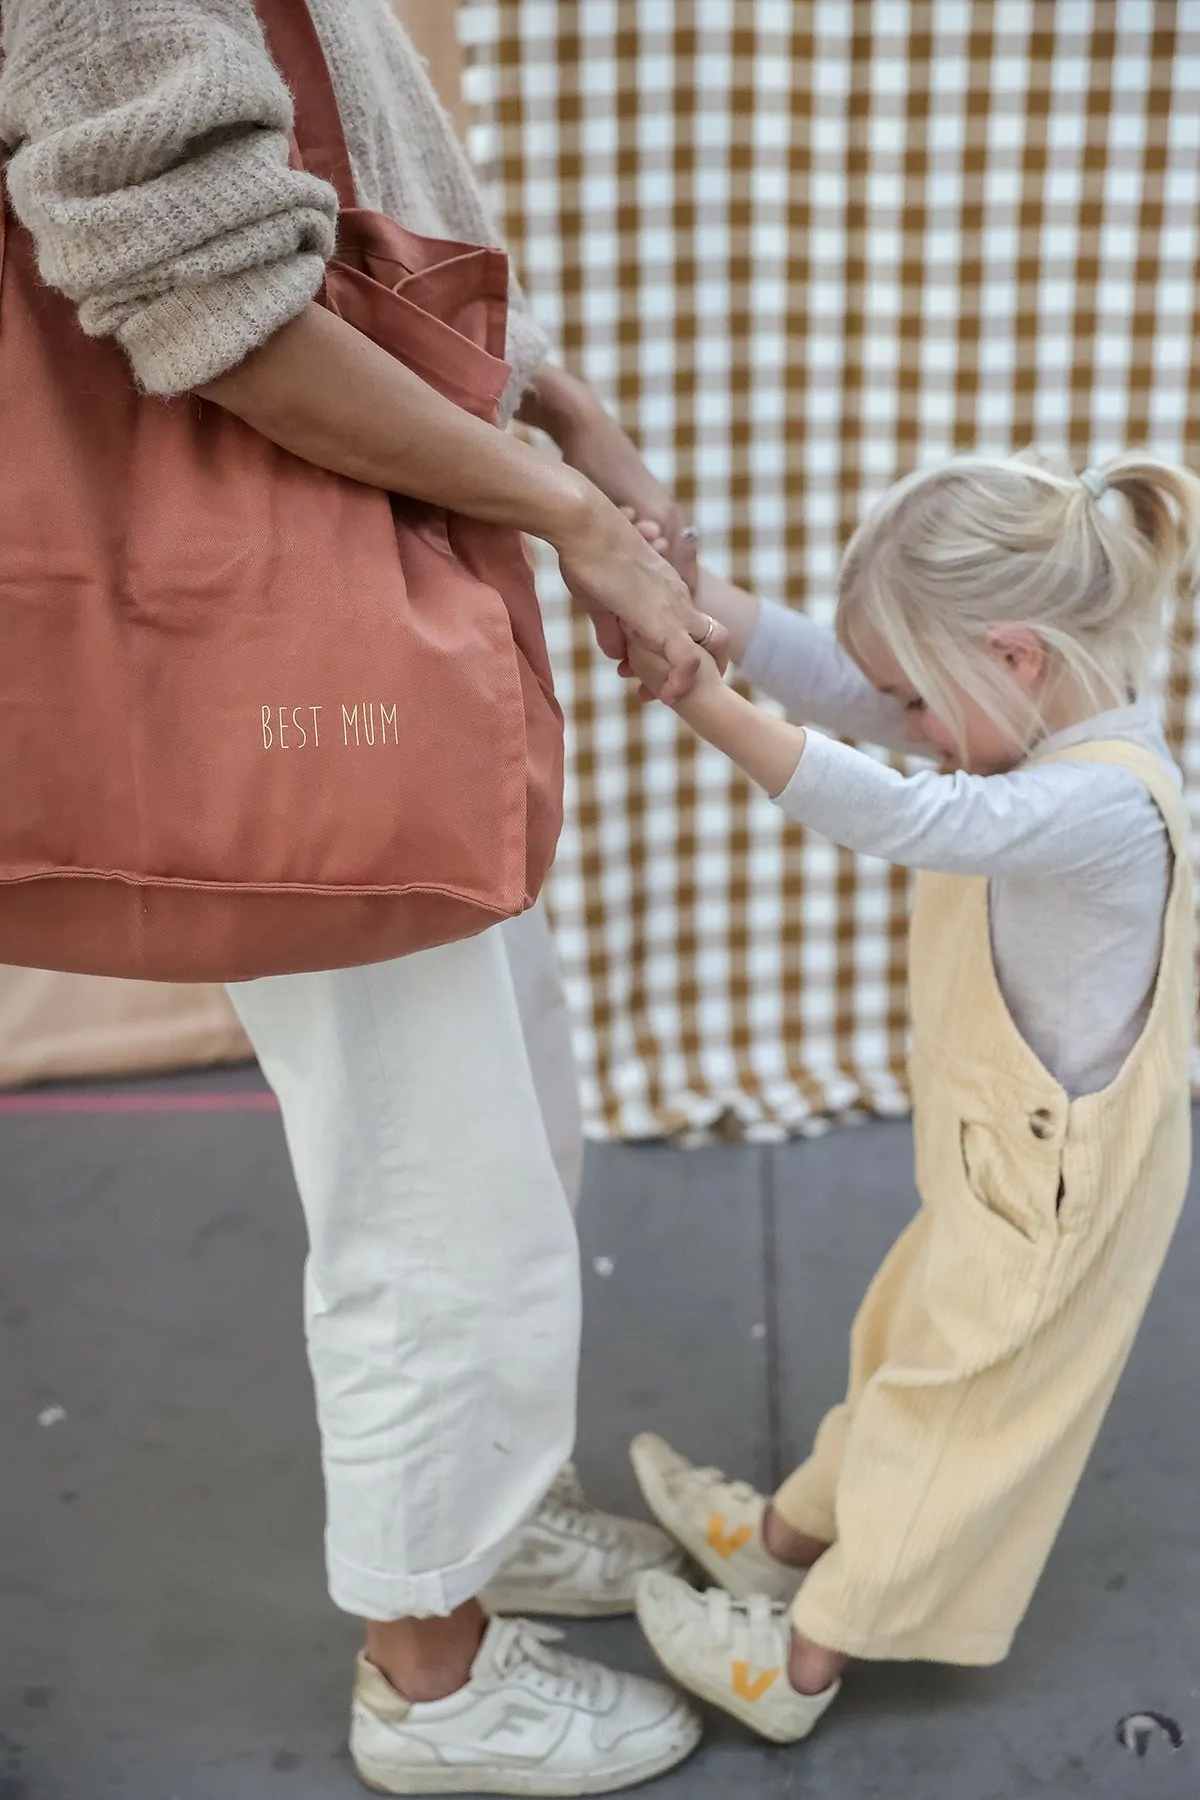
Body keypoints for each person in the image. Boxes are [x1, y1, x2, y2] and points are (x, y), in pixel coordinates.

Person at [0, 2, 731, 1792]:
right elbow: (222, 309)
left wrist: (564, 408)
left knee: (508, 1117)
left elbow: (360, 194)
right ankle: (434, 1673)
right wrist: (568, 508)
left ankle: (490, 1518)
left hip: (374, 569)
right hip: (298, 622)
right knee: (428, 1168)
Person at [620, 452, 1198, 1744]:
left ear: (1015, 656)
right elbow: (847, 686)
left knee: (960, 1415)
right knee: (903, 1349)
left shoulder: (1100, 802)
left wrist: (700, 696)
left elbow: (912, 815)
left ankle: (801, 1661)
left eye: (920, 703)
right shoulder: (1018, 711)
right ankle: (781, 1535)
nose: (911, 724)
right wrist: (687, 596)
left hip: (1057, 1185)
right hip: (995, 1157)